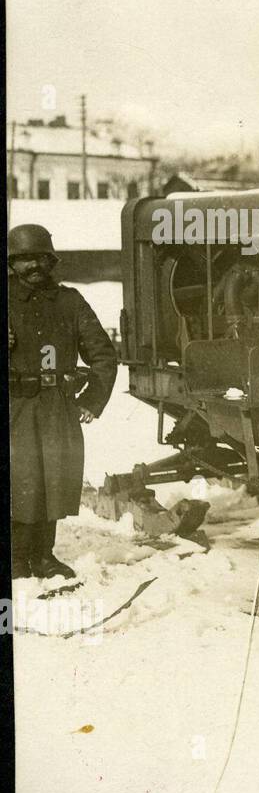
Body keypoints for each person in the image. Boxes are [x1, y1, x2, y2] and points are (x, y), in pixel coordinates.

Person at [7, 223, 117, 578]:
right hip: (15, 407)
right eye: (25, 259)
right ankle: (16, 558)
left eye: (41, 258)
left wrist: (91, 399)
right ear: (12, 263)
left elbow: (103, 355)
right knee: (20, 480)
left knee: (54, 480)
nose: (34, 266)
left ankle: (43, 556)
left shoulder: (70, 301)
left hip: (57, 407)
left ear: (51, 260)